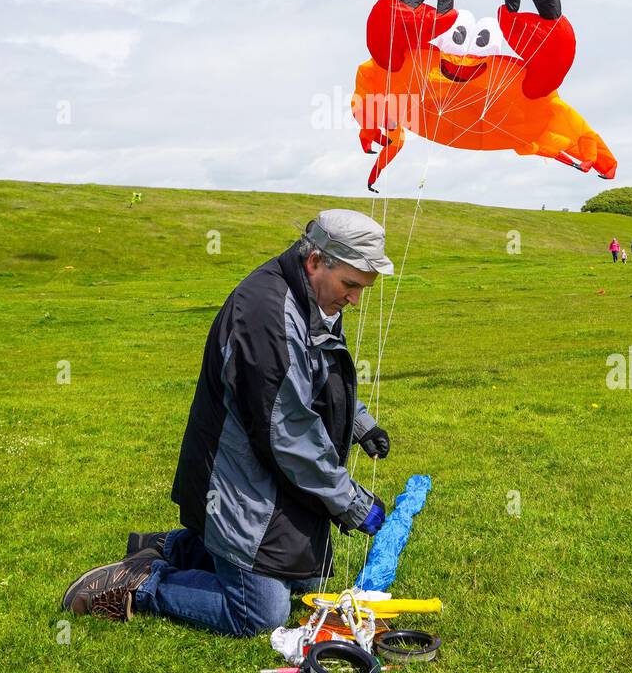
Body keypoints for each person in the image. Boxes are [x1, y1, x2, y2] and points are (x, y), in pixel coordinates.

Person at [62, 210, 394, 637]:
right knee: (262, 612)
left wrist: (359, 423)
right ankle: (138, 583)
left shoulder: (314, 294)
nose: (354, 300)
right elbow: (288, 431)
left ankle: (172, 548)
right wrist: (349, 501)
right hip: (237, 474)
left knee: (309, 581)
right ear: (316, 261)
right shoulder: (268, 316)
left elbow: (315, 376)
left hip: (265, 470)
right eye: (351, 286)